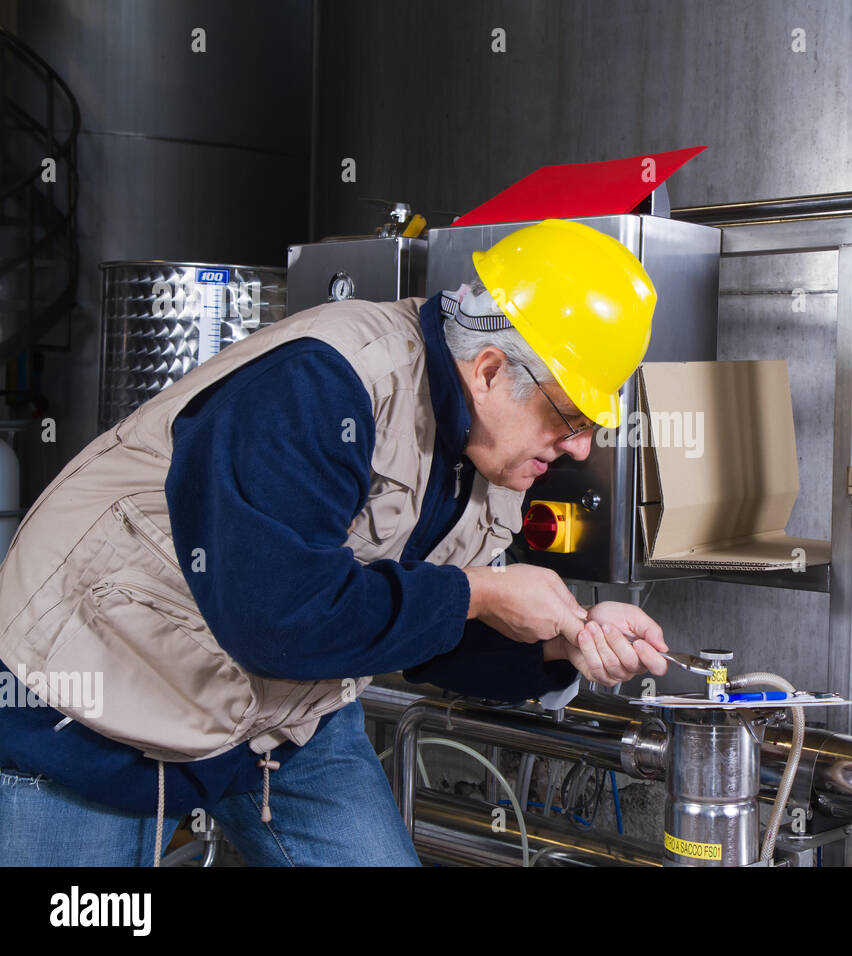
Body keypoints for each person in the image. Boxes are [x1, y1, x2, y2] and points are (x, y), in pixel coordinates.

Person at [0, 218, 669, 866]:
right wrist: (482, 591)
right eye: (571, 416)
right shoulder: (322, 383)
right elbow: (278, 613)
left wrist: (558, 640)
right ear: (490, 370)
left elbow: (431, 630)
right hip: (101, 695)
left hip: (286, 718)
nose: (580, 446)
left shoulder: (490, 452)